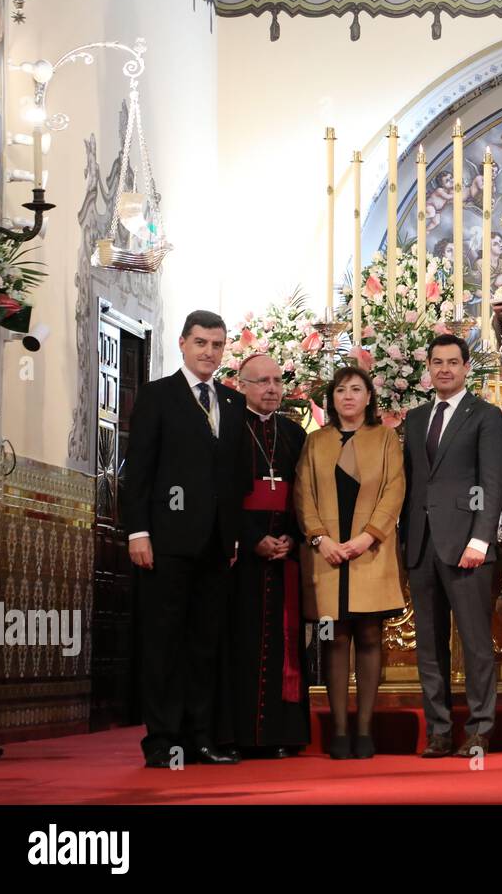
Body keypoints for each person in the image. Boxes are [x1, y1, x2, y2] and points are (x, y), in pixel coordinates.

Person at [121, 309, 248, 768]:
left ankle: (200, 739)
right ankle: (163, 741)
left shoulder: (232, 404)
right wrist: (138, 531)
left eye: (217, 345)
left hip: (215, 546)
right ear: (182, 343)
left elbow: (233, 478)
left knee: (204, 645)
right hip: (165, 542)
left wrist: (231, 538)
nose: (209, 352)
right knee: (164, 645)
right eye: (201, 343)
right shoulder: (157, 396)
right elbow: (138, 471)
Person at [400, 333, 502, 758]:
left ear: (466, 368)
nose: (444, 369)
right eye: (437, 362)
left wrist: (481, 537)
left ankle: (480, 729)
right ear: (428, 368)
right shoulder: (415, 417)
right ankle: (439, 731)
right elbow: (410, 483)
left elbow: (492, 480)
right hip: (422, 545)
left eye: (452, 362)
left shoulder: (486, 416)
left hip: (467, 546)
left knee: (477, 643)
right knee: (429, 643)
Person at [295, 366, 406, 760]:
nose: (348, 397)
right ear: (332, 398)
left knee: (371, 637)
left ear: (369, 397)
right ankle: (339, 730)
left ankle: (365, 729)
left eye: (356, 389)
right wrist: (321, 539)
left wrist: (366, 537)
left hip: (370, 552)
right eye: (341, 390)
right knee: (334, 639)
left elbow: (395, 491)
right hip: (326, 555)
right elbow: (303, 494)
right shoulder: (316, 442)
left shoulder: (386, 438)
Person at [229, 353, 310, 758]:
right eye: (262, 381)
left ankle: (282, 734)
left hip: (285, 555)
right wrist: (252, 538)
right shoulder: (227, 429)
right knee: (240, 642)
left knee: (283, 643)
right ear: (240, 384)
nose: (272, 389)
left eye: (278, 381)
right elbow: (221, 495)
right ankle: (239, 736)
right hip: (240, 557)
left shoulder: (295, 435)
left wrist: (293, 538)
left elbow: (307, 496)